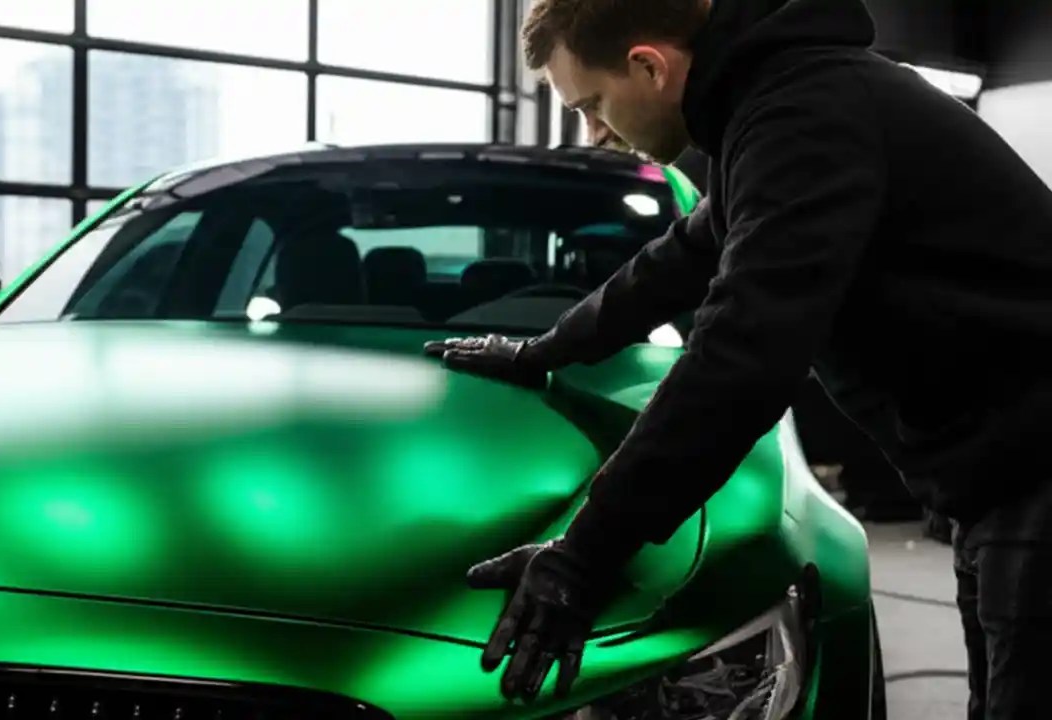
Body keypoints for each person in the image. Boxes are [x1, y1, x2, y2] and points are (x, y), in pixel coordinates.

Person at [423, 0, 1052, 715]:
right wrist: (548, 350)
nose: (594, 133)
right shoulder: (774, 105)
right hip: (997, 476)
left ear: (648, 66)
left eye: (592, 104)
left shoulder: (806, 113)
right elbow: (683, 256)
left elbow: (741, 356)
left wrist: (584, 554)